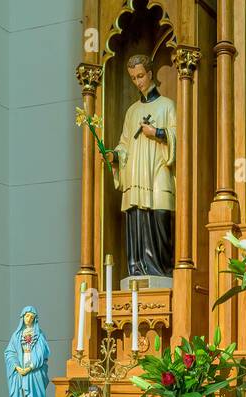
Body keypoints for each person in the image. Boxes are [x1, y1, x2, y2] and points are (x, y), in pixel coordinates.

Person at [107, 54, 176, 277]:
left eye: (140, 76)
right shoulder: (132, 111)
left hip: (157, 170)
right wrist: (115, 156)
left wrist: (156, 132)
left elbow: (179, 136)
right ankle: (138, 268)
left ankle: (162, 270)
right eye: (133, 78)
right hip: (136, 176)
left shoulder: (166, 106)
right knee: (137, 218)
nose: (137, 82)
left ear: (149, 73)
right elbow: (125, 143)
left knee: (161, 216)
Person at [5, 306, 50, 397]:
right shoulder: (16, 335)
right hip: (19, 370)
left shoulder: (39, 334)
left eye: (31, 316)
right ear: (22, 317)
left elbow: (43, 352)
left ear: (35, 319)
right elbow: (10, 353)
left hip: (34, 370)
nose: (28, 318)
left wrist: (30, 367)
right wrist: (17, 367)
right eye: (26, 316)